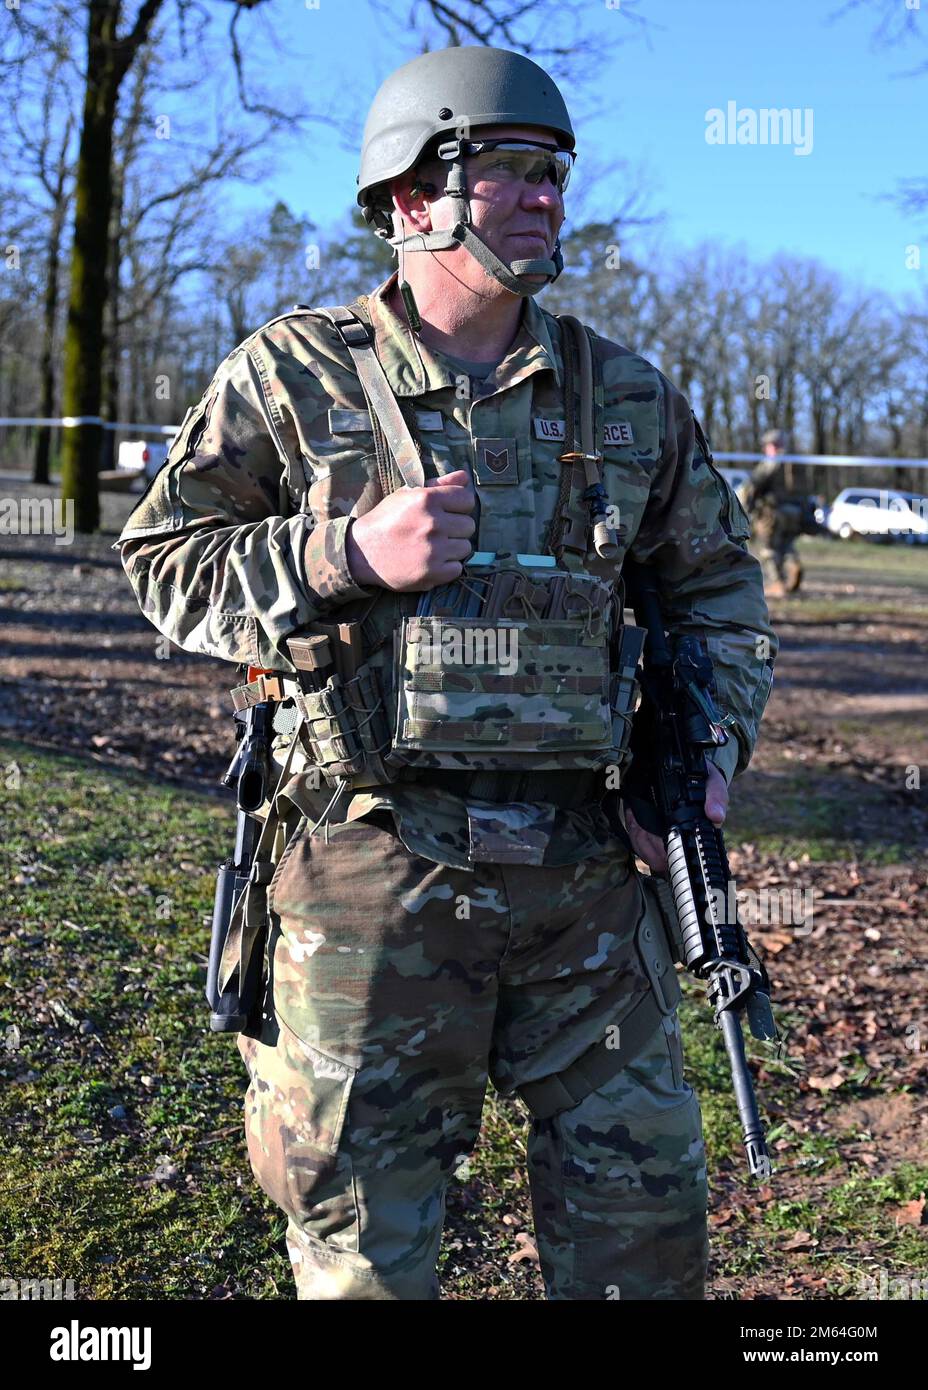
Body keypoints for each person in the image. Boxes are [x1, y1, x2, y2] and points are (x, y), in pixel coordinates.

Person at [114, 46, 777, 1301]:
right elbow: (161, 565)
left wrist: (701, 761)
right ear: (413, 198)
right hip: (370, 876)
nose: (545, 198)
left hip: (585, 879)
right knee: (365, 1253)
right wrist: (342, 551)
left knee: (643, 1233)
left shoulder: (625, 397)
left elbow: (716, 602)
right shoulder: (291, 378)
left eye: (554, 175)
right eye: (513, 172)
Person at [740, 428, 804, 596]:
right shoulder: (795, 463)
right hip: (793, 512)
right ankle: (793, 566)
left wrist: (744, 509)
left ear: (773, 446)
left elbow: (752, 486)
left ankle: (777, 583)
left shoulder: (771, 462)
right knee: (787, 545)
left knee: (769, 549)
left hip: (772, 514)